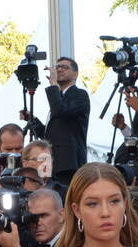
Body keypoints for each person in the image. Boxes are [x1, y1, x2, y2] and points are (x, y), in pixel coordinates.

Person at [40, 57, 90, 186]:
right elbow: (52, 134)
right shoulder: (58, 98)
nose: (59, 69)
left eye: (64, 67)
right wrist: (32, 120)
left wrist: (53, 85)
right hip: (51, 163)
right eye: (57, 67)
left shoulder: (80, 95)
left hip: (68, 164)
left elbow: (60, 111)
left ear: (75, 74)